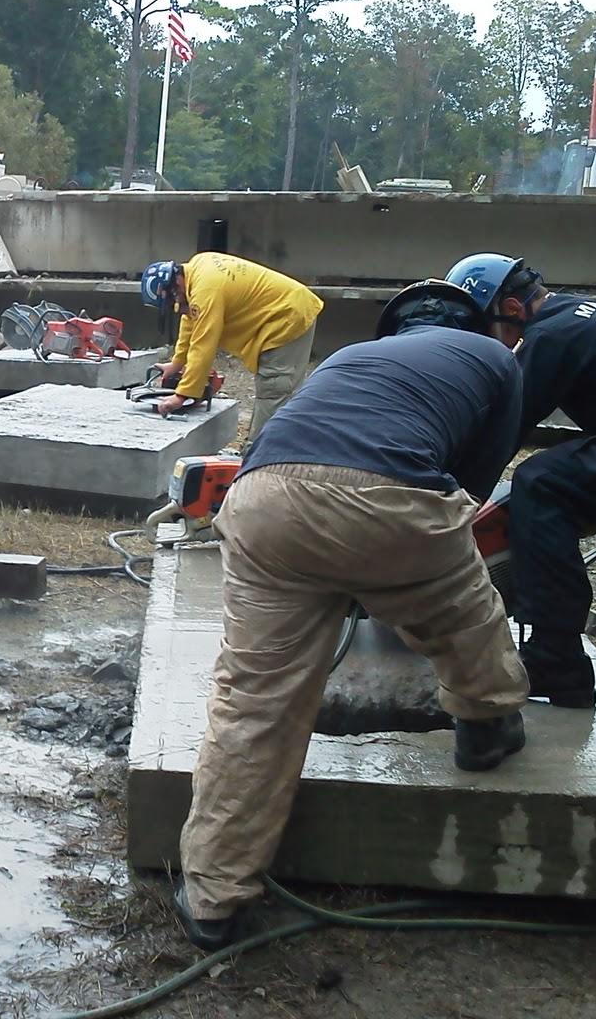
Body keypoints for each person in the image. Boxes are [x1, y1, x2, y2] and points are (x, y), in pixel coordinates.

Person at [173, 280, 529, 952]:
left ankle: (213, 898)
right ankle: (486, 723)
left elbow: (290, 443)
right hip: (388, 504)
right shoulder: (495, 361)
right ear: (482, 325)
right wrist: (393, 578)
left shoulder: (349, 359)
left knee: (253, 702)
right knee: (465, 609)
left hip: (261, 503)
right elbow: (474, 487)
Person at [444, 252, 596, 709]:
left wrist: (445, 507)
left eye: (486, 331)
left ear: (511, 310)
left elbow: (500, 436)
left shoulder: (548, 337)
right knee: (560, 480)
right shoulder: (582, 315)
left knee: (542, 484)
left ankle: (554, 664)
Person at [140, 252, 323, 445]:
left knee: (274, 389)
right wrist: (177, 363)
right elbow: (190, 319)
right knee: (272, 393)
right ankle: (260, 447)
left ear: (175, 285)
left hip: (288, 316)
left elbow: (203, 345)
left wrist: (183, 395)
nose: (176, 306)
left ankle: (260, 457)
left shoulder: (207, 290)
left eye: (172, 302)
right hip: (283, 310)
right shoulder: (196, 270)